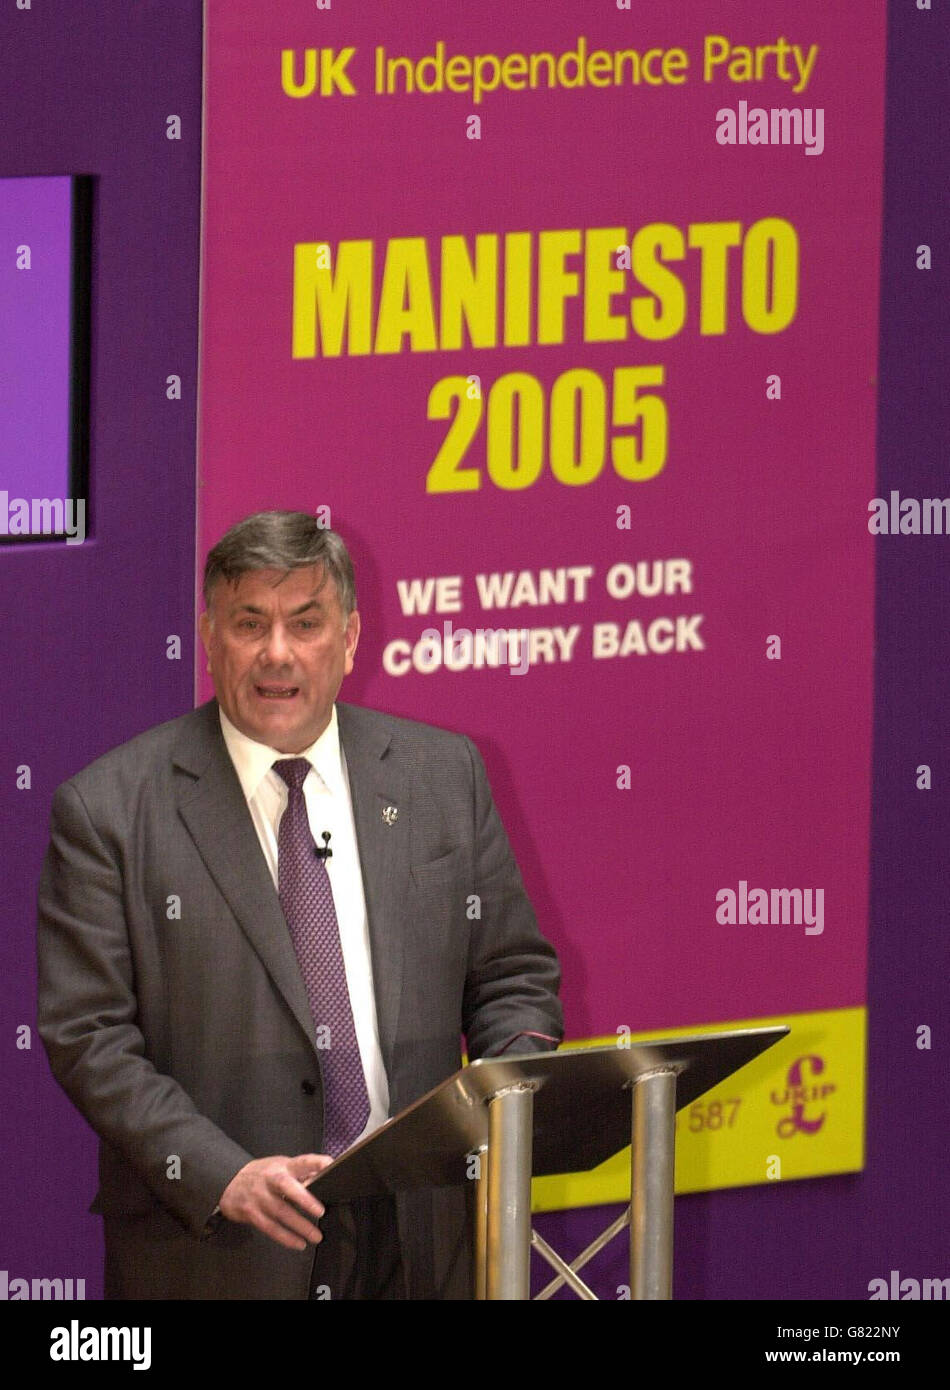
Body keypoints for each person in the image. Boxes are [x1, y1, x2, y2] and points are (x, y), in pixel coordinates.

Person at [36, 510, 563, 1299]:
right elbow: (89, 1037)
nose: (276, 652)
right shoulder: (110, 811)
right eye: (250, 623)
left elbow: (512, 973)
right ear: (210, 638)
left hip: (417, 1233)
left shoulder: (443, 776)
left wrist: (504, 1093)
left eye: (305, 623)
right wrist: (224, 1175)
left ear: (350, 639)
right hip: (224, 1245)